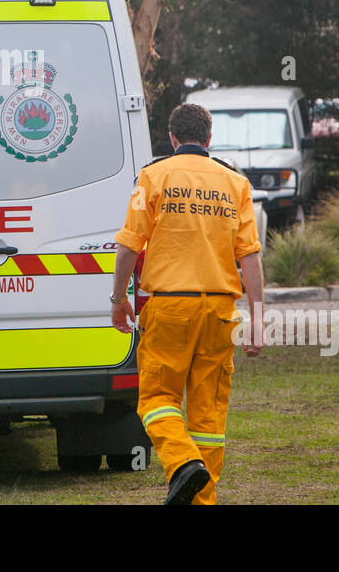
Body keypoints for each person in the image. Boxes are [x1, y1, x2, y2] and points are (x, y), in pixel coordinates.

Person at [111, 103, 264, 505]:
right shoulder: (236, 184)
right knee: (208, 420)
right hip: (220, 312)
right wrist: (259, 317)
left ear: (172, 137)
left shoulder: (154, 176)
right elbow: (249, 256)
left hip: (170, 308)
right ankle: (202, 500)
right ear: (209, 140)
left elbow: (129, 244)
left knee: (157, 400)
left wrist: (118, 299)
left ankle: (181, 463)